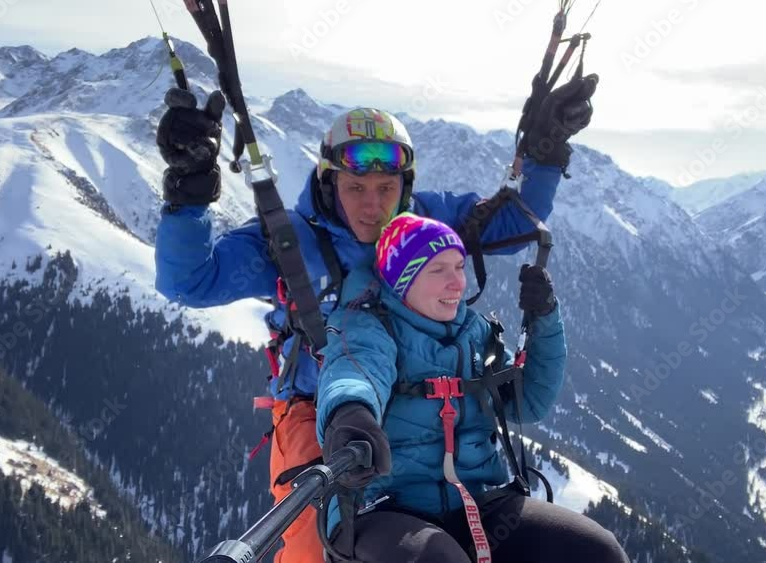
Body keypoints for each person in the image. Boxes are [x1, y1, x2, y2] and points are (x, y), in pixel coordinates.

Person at [154, 76, 597, 563]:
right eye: (355, 187)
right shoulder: (289, 242)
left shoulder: (424, 224)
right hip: (317, 411)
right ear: (329, 184)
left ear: (404, 187)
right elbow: (189, 282)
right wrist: (188, 198)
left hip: (419, 404)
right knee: (312, 549)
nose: (372, 204)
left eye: (386, 187)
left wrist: (546, 154)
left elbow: (514, 223)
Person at [315, 213, 629, 563]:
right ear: (401, 281)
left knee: (596, 551)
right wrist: (351, 413)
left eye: (459, 267)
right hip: (379, 509)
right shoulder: (367, 326)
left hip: (476, 502)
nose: (457, 283)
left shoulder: (475, 333)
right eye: (437, 270)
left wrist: (545, 319)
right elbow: (356, 368)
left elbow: (530, 402)